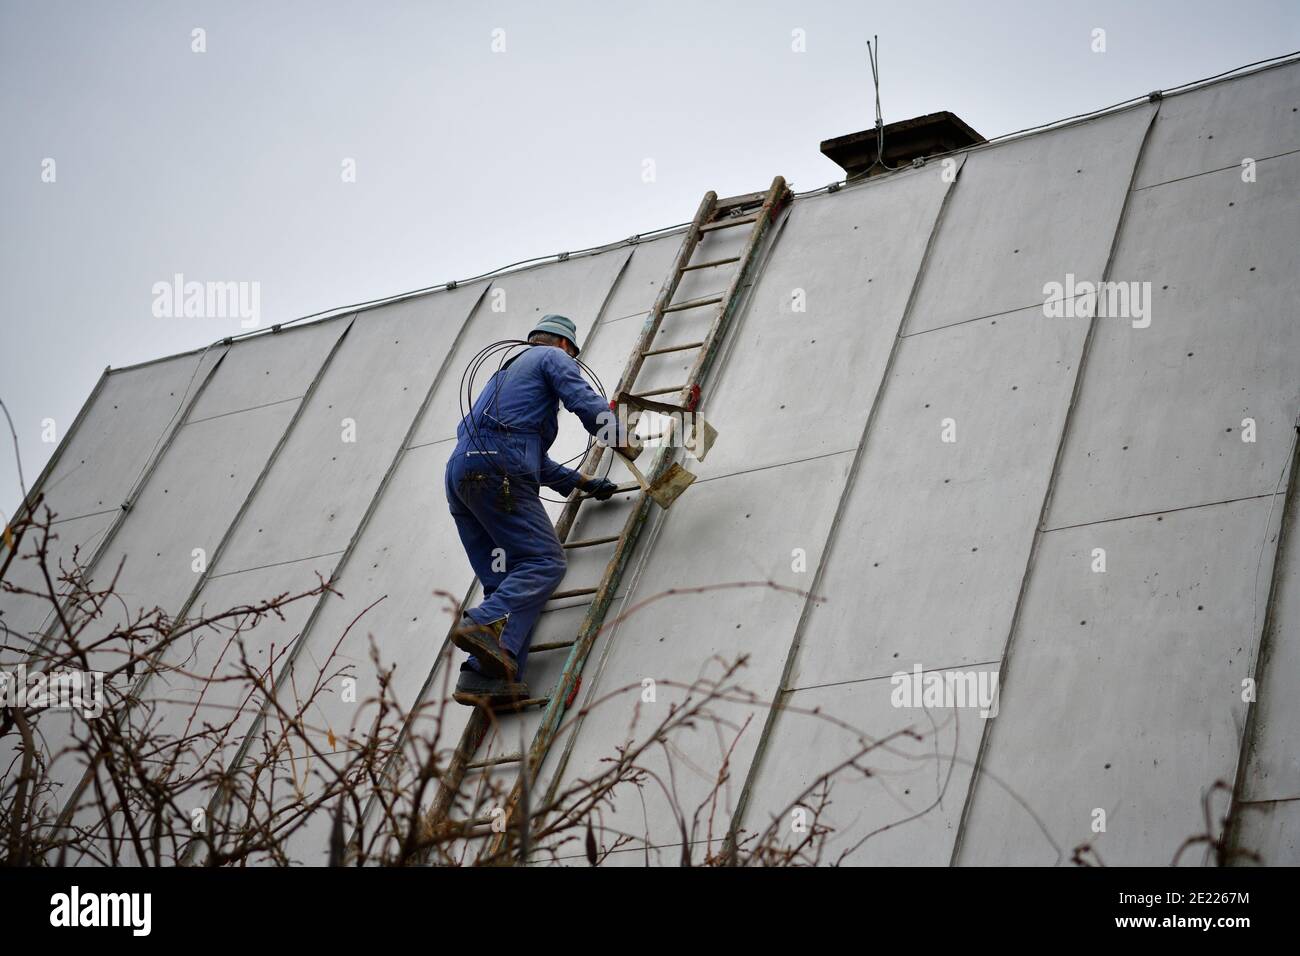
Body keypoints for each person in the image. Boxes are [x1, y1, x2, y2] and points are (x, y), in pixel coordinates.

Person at [445, 314, 623, 707]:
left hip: (462, 476)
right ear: (564, 346)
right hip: (498, 470)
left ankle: (487, 673)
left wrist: (584, 484)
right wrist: (620, 435)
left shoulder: (500, 382)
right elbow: (583, 401)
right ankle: (480, 625)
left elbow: (532, 458)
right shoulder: (552, 358)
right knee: (544, 562)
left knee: (504, 577)